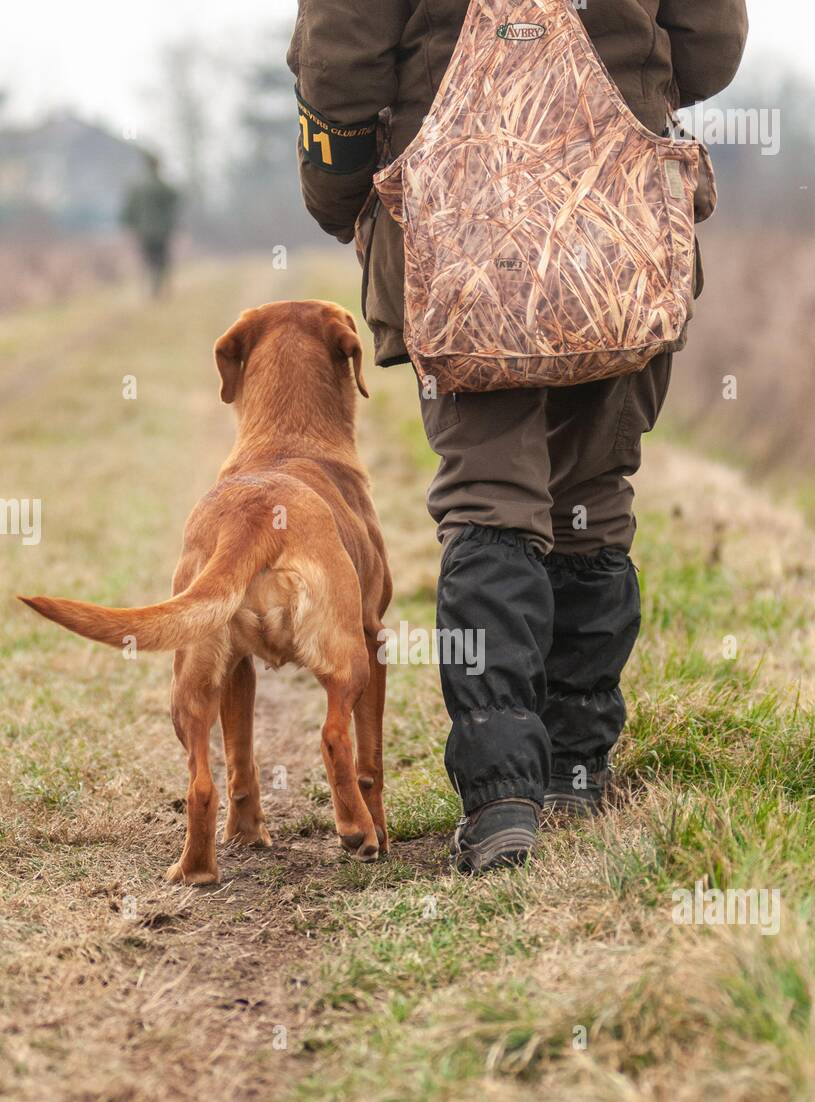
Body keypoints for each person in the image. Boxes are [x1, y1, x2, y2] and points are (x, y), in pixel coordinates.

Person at [288, 1, 749, 873]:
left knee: (488, 497)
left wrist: (344, 198)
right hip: (619, 220)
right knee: (595, 497)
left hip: (458, 232)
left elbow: (340, 68)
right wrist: (618, 93)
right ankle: (577, 770)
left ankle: (503, 799)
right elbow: (712, 47)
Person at [121, 152, 180, 298]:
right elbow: (175, 199)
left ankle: (145, 291)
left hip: (143, 232)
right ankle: (159, 290)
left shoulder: (136, 186)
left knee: (146, 261)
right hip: (161, 231)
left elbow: (128, 210)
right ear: (157, 166)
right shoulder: (161, 185)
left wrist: (129, 226)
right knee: (161, 261)